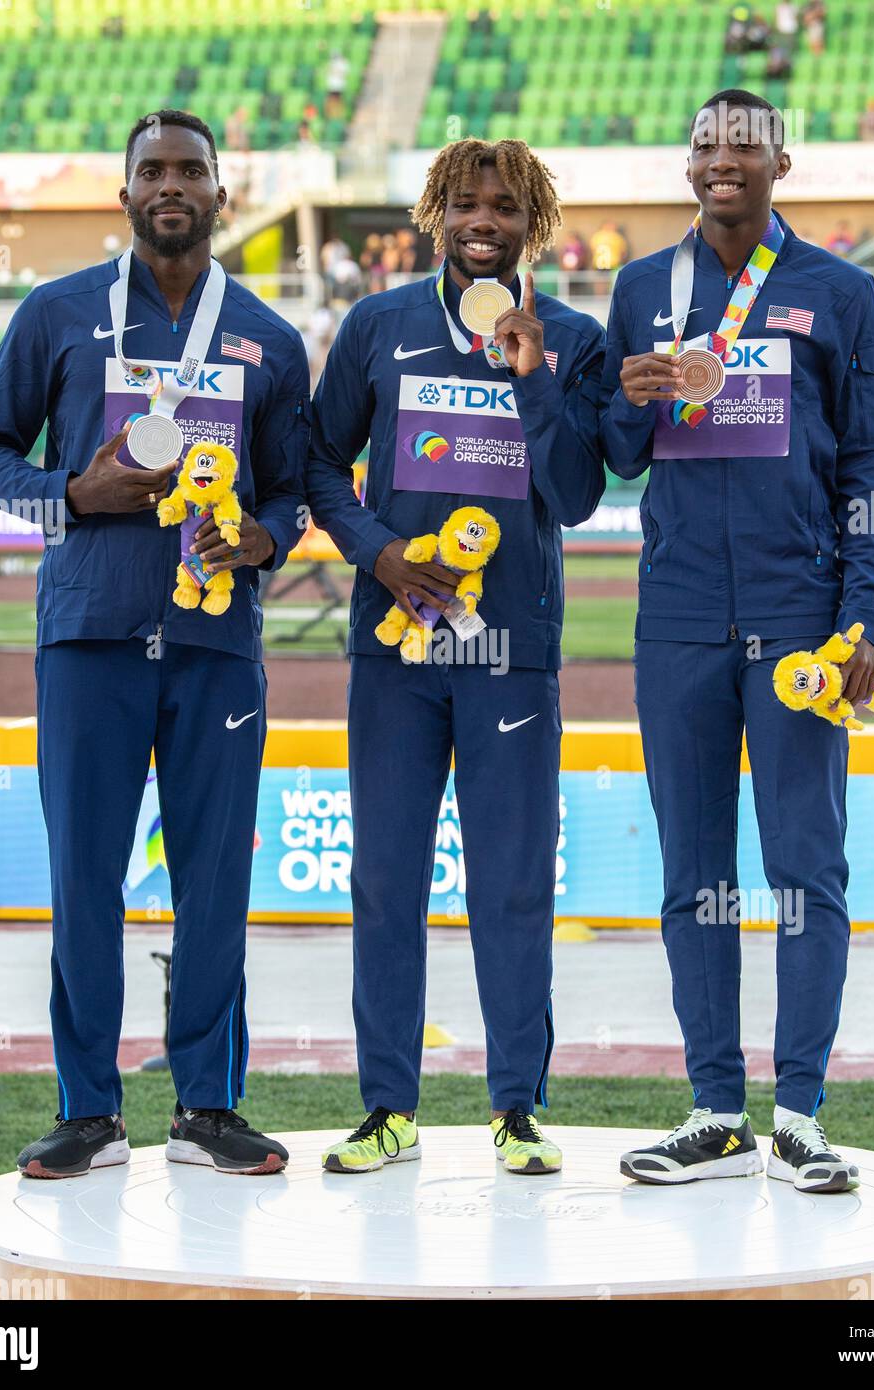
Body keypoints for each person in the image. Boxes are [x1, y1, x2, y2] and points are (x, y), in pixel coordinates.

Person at [0, 110, 310, 1179]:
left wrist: (257, 537)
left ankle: (207, 1105)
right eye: (151, 170)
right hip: (88, 637)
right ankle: (88, 1110)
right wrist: (73, 490)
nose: (171, 186)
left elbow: (294, 496)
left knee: (213, 884)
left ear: (219, 195)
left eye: (190, 172)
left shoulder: (268, 338)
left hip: (216, 647)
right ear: (123, 195)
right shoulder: (58, 315)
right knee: (85, 881)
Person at [599, 90, 874, 1194]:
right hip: (674, 619)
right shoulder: (641, 288)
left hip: (797, 623)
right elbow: (616, 455)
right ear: (686, 166)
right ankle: (714, 1109)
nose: (723, 160)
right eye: (705, 145)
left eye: (744, 144)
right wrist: (624, 402)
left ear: (782, 161)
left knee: (803, 872)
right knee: (692, 877)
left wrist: (858, 616)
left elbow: (870, 466)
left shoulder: (839, 292)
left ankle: (804, 1114)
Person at [306, 138, 606, 1176]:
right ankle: (387, 1107)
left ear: (534, 225)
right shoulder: (379, 324)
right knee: (386, 882)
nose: (485, 221)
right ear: (435, 213)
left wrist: (530, 379)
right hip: (395, 655)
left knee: (512, 887)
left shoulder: (569, 336)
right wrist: (378, 553)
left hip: (513, 655)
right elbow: (315, 461)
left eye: (506, 208)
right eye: (467, 204)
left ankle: (515, 1108)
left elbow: (575, 495)